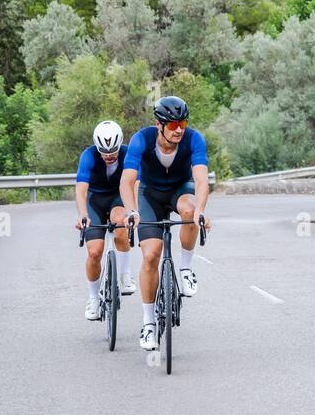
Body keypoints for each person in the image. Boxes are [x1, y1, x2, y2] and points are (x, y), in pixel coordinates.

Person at [120, 96, 212, 351]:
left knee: (191, 210)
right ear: (158, 124)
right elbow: (127, 181)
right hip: (149, 195)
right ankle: (149, 323)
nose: (179, 129)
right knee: (151, 256)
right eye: (172, 125)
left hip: (180, 190)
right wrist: (130, 211)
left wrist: (201, 211)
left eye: (182, 123)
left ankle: (185, 269)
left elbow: (202, 180)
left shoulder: (194, 139)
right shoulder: (142, 139)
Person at [75, 120, 134, 321]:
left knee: (121, 223)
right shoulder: (88, 156)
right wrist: (83, 214)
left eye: (113, 151)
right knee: (94, 252)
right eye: (104, 151)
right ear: (97, 147)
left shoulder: (128, 153)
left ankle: (125, 274)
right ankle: (93, 297)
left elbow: (135, 184)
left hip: (118, 197)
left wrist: (133, 211)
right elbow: (81, 189)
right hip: (96, 201)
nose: (109, 155)